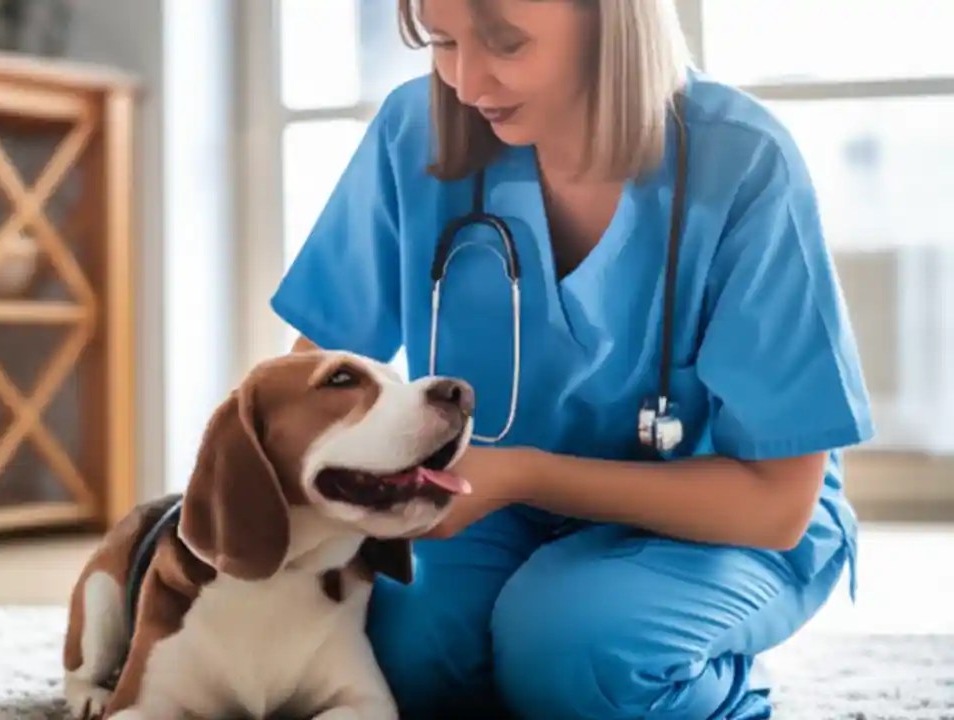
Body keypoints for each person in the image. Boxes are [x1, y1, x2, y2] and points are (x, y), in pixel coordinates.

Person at [269, 0, 875, 718]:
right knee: (394, 646)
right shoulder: (415, 132)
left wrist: (526, 474)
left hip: (719, 519)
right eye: (441, 42)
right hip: (489, 503)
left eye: (505, 43)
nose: (466, 82)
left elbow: (777, 503)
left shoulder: (742, 162)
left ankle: (717, 685)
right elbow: (313, 389)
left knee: (573, 652)